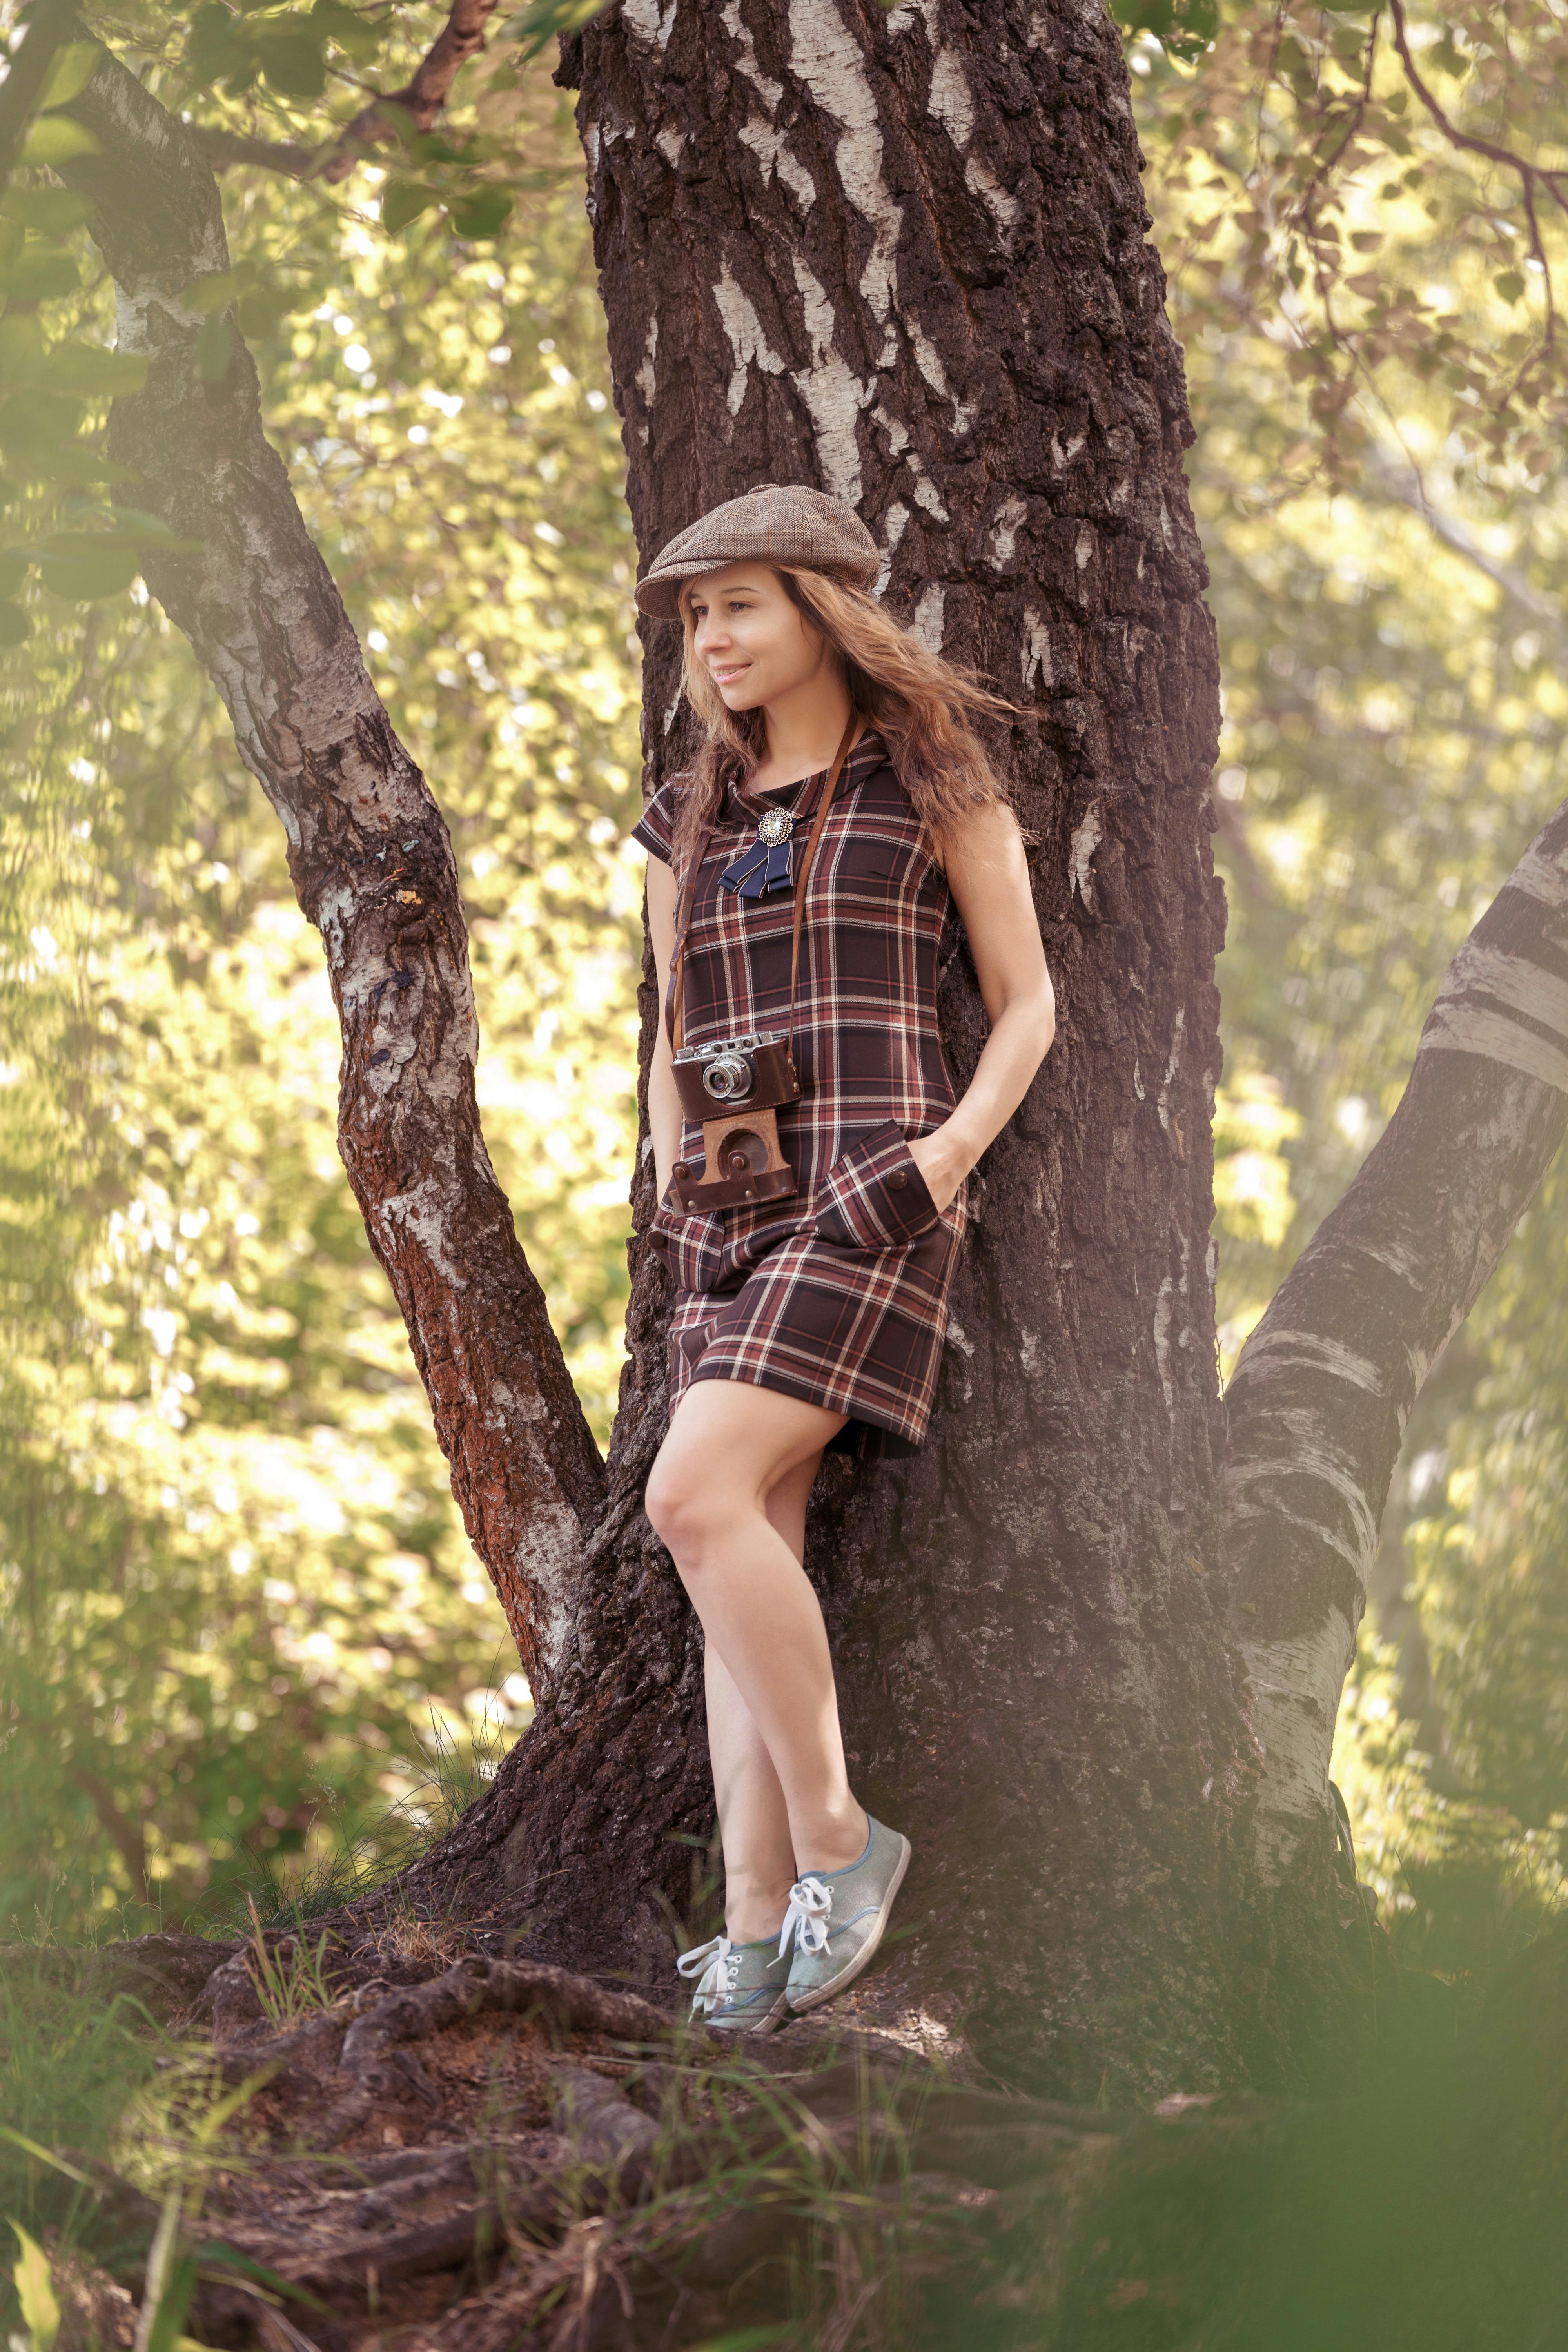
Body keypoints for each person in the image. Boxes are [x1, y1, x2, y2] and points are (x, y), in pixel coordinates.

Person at [630, 483, 1055, 2031]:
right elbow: (676, 1031)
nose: (716, 639)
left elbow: (1026, 1005)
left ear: (821, 607)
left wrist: (940, 1161)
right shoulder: (687, 819)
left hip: (877, 1185)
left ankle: (839, 1842)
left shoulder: (931, 779)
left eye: (741, 603)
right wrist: (684, 1179)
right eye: (696, 616)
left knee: (690, 1493)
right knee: (732, 1540)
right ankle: (751, 1933)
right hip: (726, 1205)